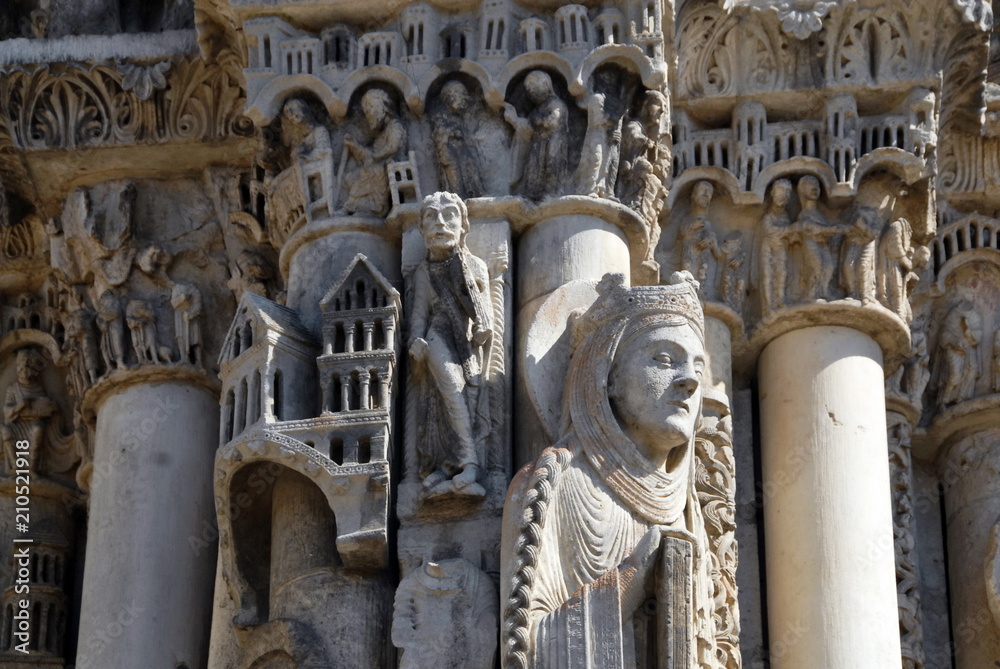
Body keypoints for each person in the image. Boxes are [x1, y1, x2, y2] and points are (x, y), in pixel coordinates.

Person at [501, 272, 717, 669]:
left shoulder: (691, 507)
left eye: (698, 369)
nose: (689, 380)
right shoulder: (558, 484)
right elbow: (527, 648)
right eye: (664, 359)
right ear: (607, 376)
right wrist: (631, 579)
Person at [408, 192, 493, 497]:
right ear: (421, 228)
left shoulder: (474, 266)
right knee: (451, 390)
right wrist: (415, 341)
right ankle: (469, 464)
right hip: (438, 336)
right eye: (431, 216)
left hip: (465, 343)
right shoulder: (423, 273)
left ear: (463, 226)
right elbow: (419, 314)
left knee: (464, 399)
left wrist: (483, 327)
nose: (440, 224)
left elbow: (484, 313)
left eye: (449, 216)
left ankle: (446, 466)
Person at [342, 89, 407, 216]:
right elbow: (370, 155)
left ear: (382, 107)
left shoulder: (395, 125)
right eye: (366, 112)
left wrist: (375, 157)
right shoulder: (380, 135)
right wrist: (354, 146)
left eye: (370, 109)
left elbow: (393, 147)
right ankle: (357, 206)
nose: (369, 115)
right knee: (351, 176)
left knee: (372, 171)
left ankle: (376, 208)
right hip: (382, 165)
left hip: (394, 165)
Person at [508, 71, 569, 201]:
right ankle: (533, 195)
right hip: (537, 145)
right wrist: (514, 120)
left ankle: (551, 194)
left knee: (551, 167)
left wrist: (537, 120)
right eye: (527, 88)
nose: (529, 90)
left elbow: (552, 122)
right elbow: (529, 127)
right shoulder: (537, 109)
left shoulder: (556, 104)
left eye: (533, 85)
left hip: (552, 144)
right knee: (533, 169)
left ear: (546, 85)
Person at [431, 80, 485, 198]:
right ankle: (457, 197)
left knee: (472, 170)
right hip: (449, 152)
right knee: (455, 176)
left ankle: (475, 195)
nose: (464, 102)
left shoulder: (457, 118)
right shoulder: (440, 115)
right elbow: (440, 134)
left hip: (462, 150)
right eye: (461, 97)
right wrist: (453, 133)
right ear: (450, 98)